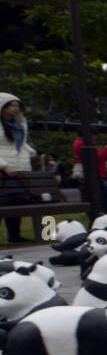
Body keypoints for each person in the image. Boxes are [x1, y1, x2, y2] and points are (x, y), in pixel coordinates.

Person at [0, 93, 38, 243]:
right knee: (4, 202)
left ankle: (14, 235)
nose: (15, 109)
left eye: (17, 106)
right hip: (5, 169)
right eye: (12, 105)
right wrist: (4, 166)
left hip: (17, 168)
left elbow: (18, 143)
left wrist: (28, 150)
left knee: (15, 201)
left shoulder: (18, 124)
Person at [72, 136, 107, 213]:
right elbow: (96, 158)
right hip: (96, 175)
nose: (95, 137)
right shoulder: (82, 144)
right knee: (105, 198)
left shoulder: (81, 143)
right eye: (94, 135)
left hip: (97, 175)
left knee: (104, 197)